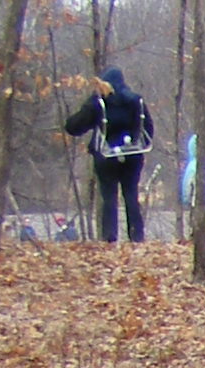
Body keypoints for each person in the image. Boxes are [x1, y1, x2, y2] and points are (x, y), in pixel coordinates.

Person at [61, 69, 152, 243]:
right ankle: (137, 237)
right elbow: (148, 127)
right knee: (131, 195)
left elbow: (74, 127)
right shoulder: (136, 101)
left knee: (109, 197)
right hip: (133, 155)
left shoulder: (99, 103)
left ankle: (109, 238)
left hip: (106, 156)